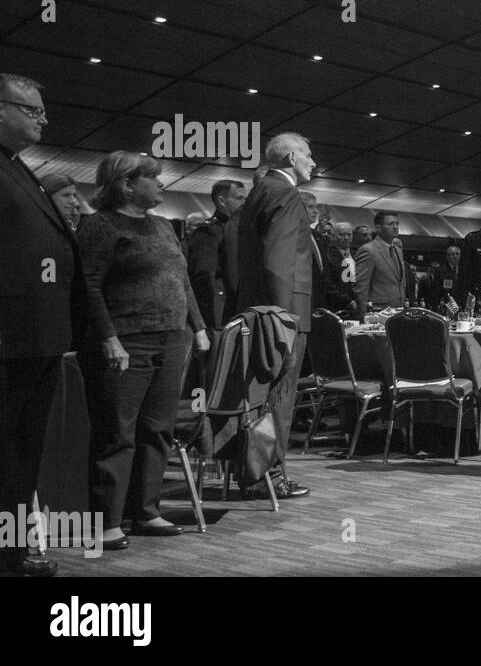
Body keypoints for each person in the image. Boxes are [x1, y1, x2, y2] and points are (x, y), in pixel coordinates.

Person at [79, 151, 210, 550]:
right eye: (153, 178)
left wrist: (199, 327)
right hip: (126, 340)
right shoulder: (100, 225)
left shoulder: (163, 226)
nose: (161, 184)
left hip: (172, 339)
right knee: (117, 432)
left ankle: (146, 511)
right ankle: (106, 521)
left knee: (158, 430)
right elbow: (89, 286)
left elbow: (182, 280)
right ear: (126, 184)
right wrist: (108, 337)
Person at [0, 74, 87, 577]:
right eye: (31, 110)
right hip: (10, 336)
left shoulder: (20, 168)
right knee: (7, 452)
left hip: (35, 338)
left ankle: (11, 552)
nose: (43, 118)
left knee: (20, 453)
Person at [235, 132, 316, 500]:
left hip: (257, 309)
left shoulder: (259, 191)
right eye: (308, 156)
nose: (313, 163)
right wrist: (283, 318)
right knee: (279, 400)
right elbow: (279, 259)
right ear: (290, 157)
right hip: (283, 313)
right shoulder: (284, 192)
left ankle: (256, 473)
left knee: (260, 399)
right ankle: (270, 474)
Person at [187, 180, 247, 340]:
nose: (244, 203)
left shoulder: (239, 230)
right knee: (217, 361)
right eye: (239, 198)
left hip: (237, 309)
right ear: (221, 200)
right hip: (219, 313)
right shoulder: (209, 232)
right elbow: (203, 277)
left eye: (245, 199)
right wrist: (207, 321)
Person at [354, 211, 406, 310]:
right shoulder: (368, 250)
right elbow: (361, 288)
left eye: (397, 224)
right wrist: (363, 315)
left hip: (398, 310)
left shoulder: (398, 250)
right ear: (378, 228)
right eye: (390, 224)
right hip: (377, 312)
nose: (395, 227)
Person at [322, 221, 356, 316]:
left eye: (349, 234)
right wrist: (348, 301)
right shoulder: (327, 255)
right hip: (337, 309)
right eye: (341, 235)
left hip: (359, 306)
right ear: (333, 236)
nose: (346, 238)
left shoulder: (357, 254)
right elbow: (328, 284)